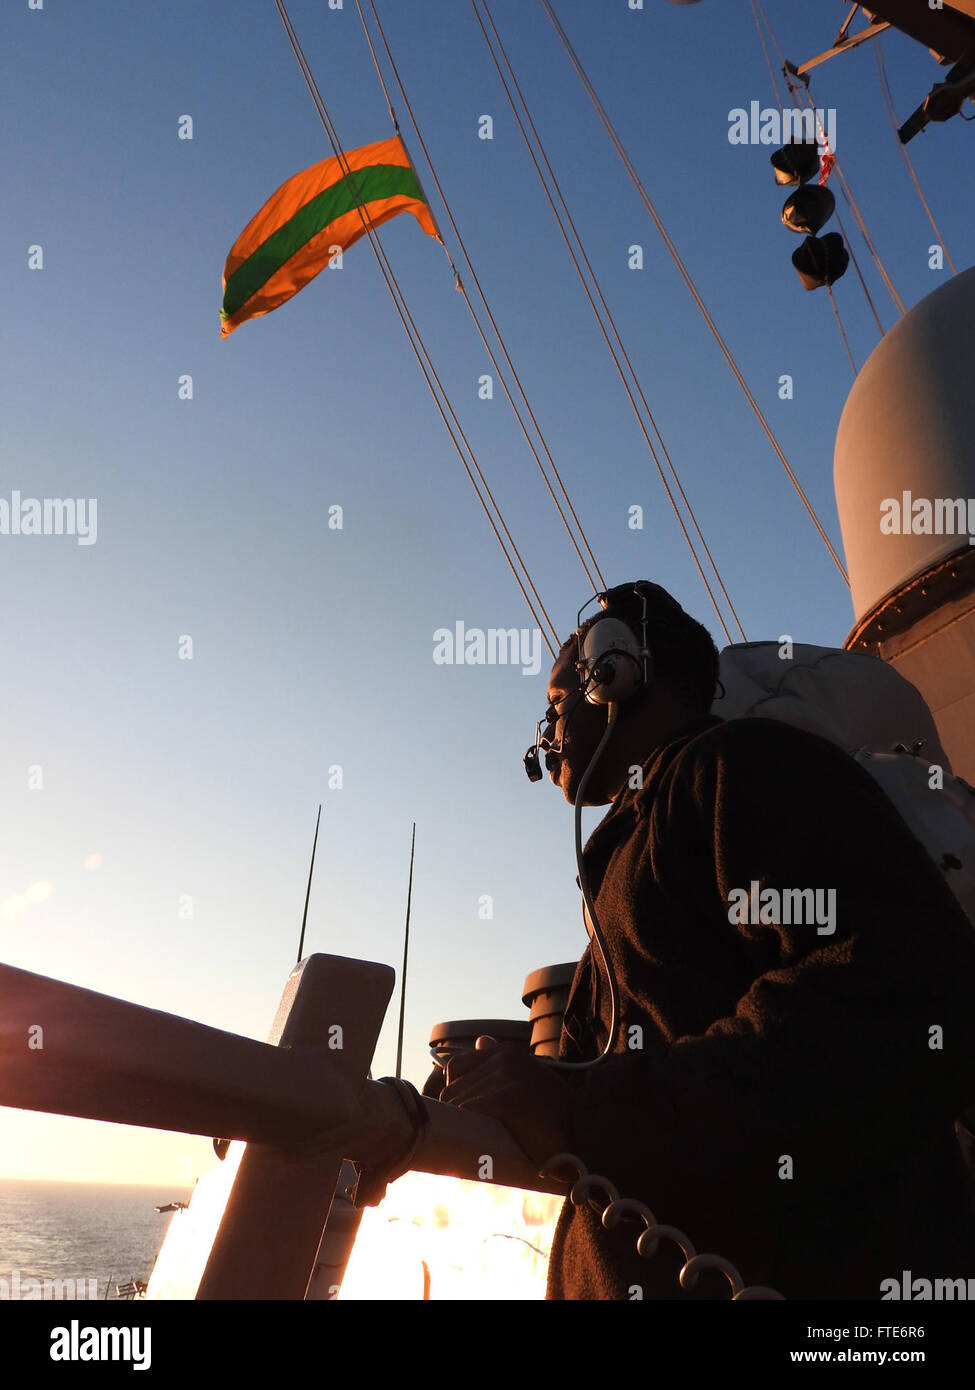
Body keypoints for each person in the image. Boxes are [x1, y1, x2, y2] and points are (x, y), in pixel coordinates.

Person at [439, 580, 975, 1300]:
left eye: (557, 695)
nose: (546, 727)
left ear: (615, 670)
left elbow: (894, 1001)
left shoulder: (743, 767)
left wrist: (587, 1109)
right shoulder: (630, 859)